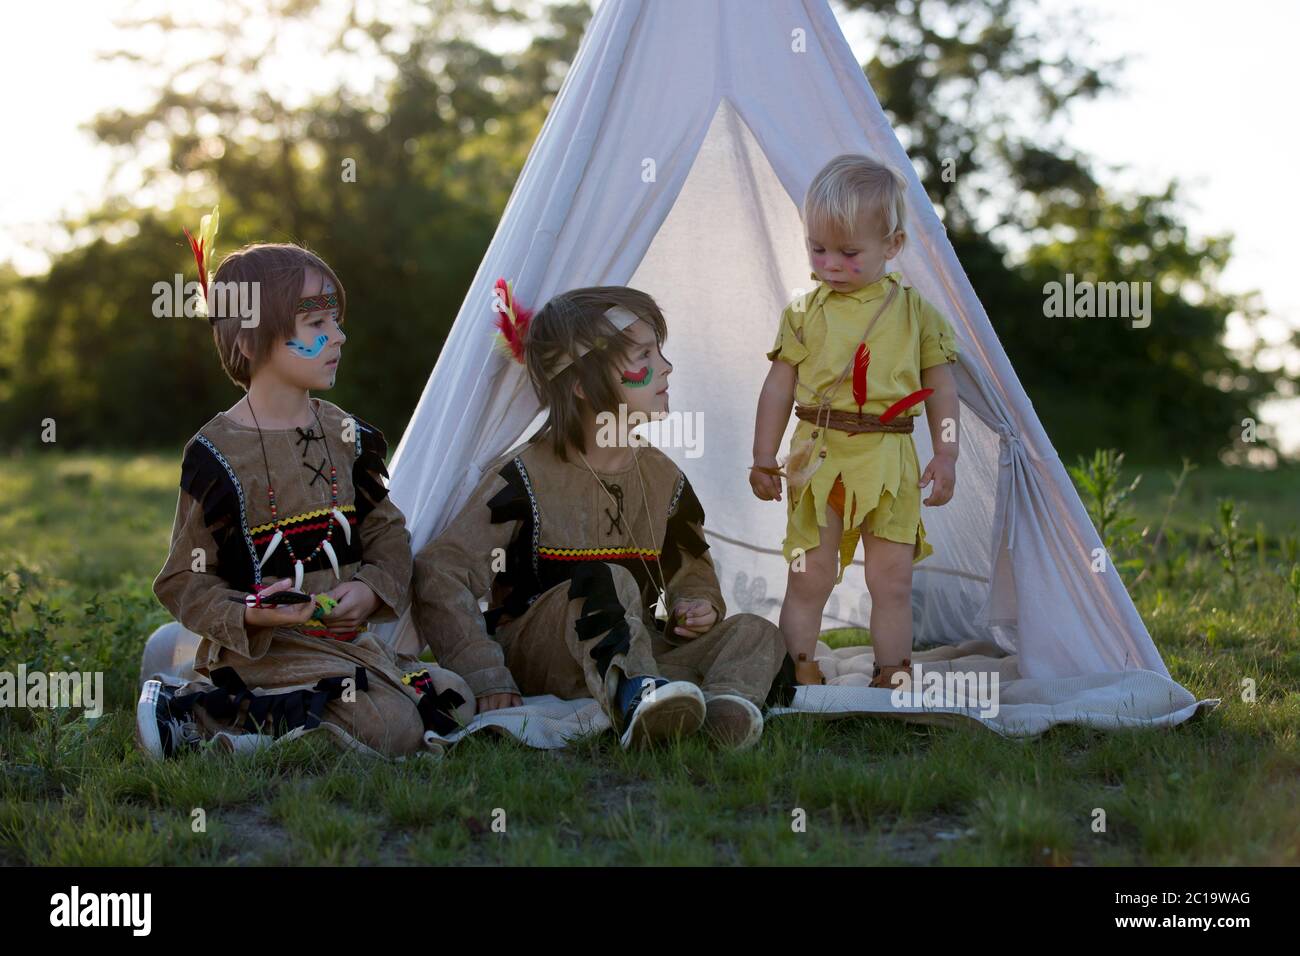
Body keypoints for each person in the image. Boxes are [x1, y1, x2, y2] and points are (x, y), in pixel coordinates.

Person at [411, 283, 790, 750]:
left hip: (639, 649)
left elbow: (691, 569)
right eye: (644, 355)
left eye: (661, 352)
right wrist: (485, 673)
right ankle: (639, 699)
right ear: (579, 384)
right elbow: (439, 572)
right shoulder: (521, 477)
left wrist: (698, 604)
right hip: (540, 656)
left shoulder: (663, 477)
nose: (666, 368)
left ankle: (721, 710)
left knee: (757, 631)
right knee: (606, 579)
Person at [140, 232, 472, 759]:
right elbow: (185, 578)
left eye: (335, 321)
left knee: (456, 697)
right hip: (267, 650)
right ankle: (195, 714)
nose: (337, 336)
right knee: (393, 730)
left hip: (345, 644)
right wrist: (255, 612)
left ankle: (197, 682)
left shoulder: (347, 435)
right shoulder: (216, 453)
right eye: (316, 324)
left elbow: (387, 534)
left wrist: (367, 591)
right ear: (250, 342)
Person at [750, 154, 962, 689]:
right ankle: (796, 669)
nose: (831, 264)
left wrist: (947, 452)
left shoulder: (916, 314)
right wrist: (761, 456)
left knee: (891, 580)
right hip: (817, 460)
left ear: (891, 246)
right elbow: (778, 387)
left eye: (849, 252)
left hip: (888, 460)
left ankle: (893, 671)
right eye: (817, 249)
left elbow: (940, 389)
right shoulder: (803, 313)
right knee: (808, 576)